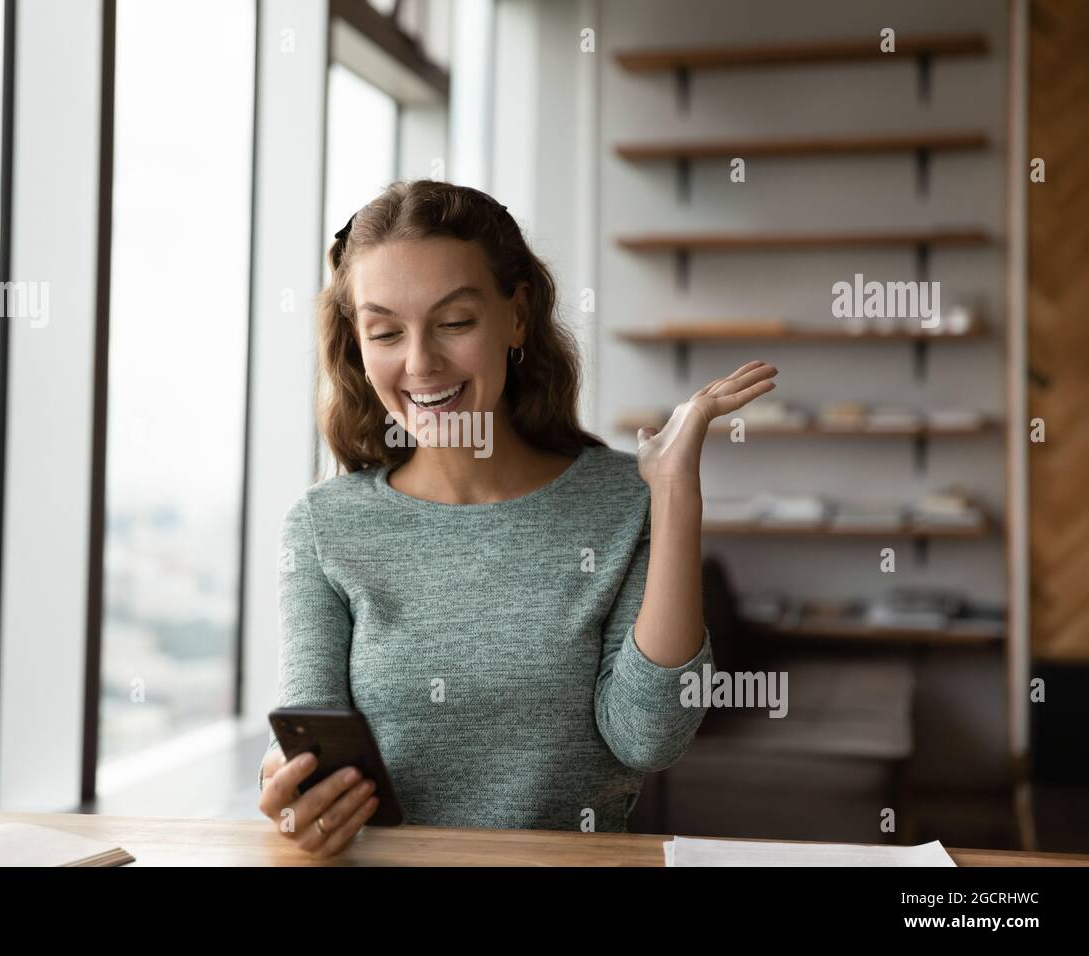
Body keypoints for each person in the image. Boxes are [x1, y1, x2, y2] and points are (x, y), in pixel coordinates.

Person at [258, 180, 777, 858]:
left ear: (519, 316)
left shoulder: (624, 502)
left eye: (455, 322)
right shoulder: (324, 526)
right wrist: (290, 786)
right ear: (358, 344)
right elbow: (307, 738)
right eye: (385, 331)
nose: (420, 363)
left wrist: (674, 493)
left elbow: (648, 738)